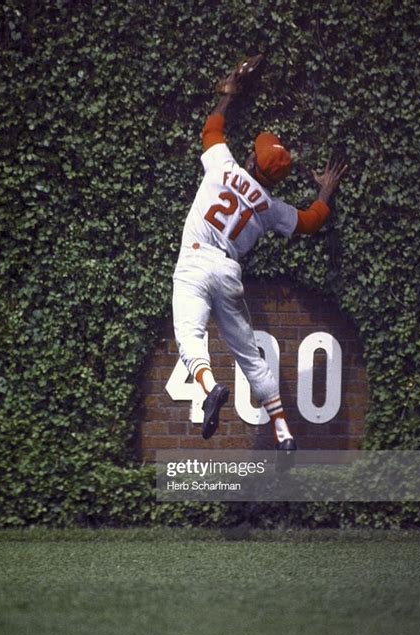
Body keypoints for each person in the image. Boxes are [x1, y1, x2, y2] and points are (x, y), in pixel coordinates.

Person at [172, 67, 347, 450]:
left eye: (254, 150)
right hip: (228, 273)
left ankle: (209, 386)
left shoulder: (224, 166)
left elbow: (211, 130)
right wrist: (325, 193)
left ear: (252, 161)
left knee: (190, 336)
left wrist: (229, 93)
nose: (252, 150)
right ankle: (283, 430)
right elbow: (310, 222)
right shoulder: (270, 206)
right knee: (250, 355)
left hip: (194, 263)